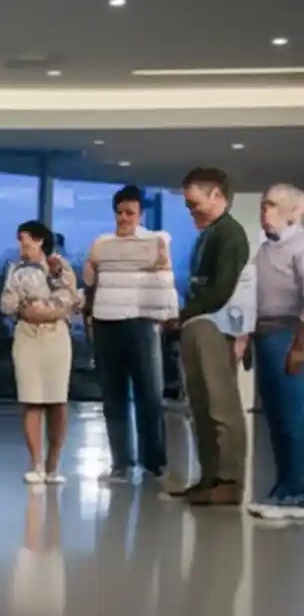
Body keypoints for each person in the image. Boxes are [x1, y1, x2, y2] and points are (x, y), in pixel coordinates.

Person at [83, 185, 180, 484]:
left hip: (141, 324)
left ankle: (155, 462)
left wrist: (168, 316)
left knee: (149, 394)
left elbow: (165, 280)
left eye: (130, 213)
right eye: (120, 212)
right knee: (113, 397)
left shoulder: (155, 241)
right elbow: (90, 281)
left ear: (140, 213)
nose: (125, 218)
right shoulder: (102, 243)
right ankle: (120, 463)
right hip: (106, 323)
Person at [169, 167, 251, 506]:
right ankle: (209, 476)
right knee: (200, 406)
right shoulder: (209, 234)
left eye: (195, 203)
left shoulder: (231, 234)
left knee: (221, 406)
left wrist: (183, 315)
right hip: (199, 324)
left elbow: (221, 289)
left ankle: (229, 479)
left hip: (216, 325)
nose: (191, 211)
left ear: (217, 195)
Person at [0, 220, 81, 484]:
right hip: (26, 337)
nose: (21, 245)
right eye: (20, 239)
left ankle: (53, 465)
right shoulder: (14, 269)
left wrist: (44, 307)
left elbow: (69, 300)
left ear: (39, 241)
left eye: (25, 239)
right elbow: (7, 303)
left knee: (57, 400)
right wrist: (25, 308)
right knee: (31, 399)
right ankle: (35, 463)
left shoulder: (59, 266)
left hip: (55, 336)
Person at [248, 183, 304, 519]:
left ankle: (297, 493)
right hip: (265, 335)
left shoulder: (301, 246)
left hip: (289, 335)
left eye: (271, 206)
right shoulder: (264, 249)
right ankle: (284, 485)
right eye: (263, 206)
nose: (264, 213)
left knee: (293, 417)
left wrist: (299, 346)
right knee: (276, 417)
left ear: (295, 211)